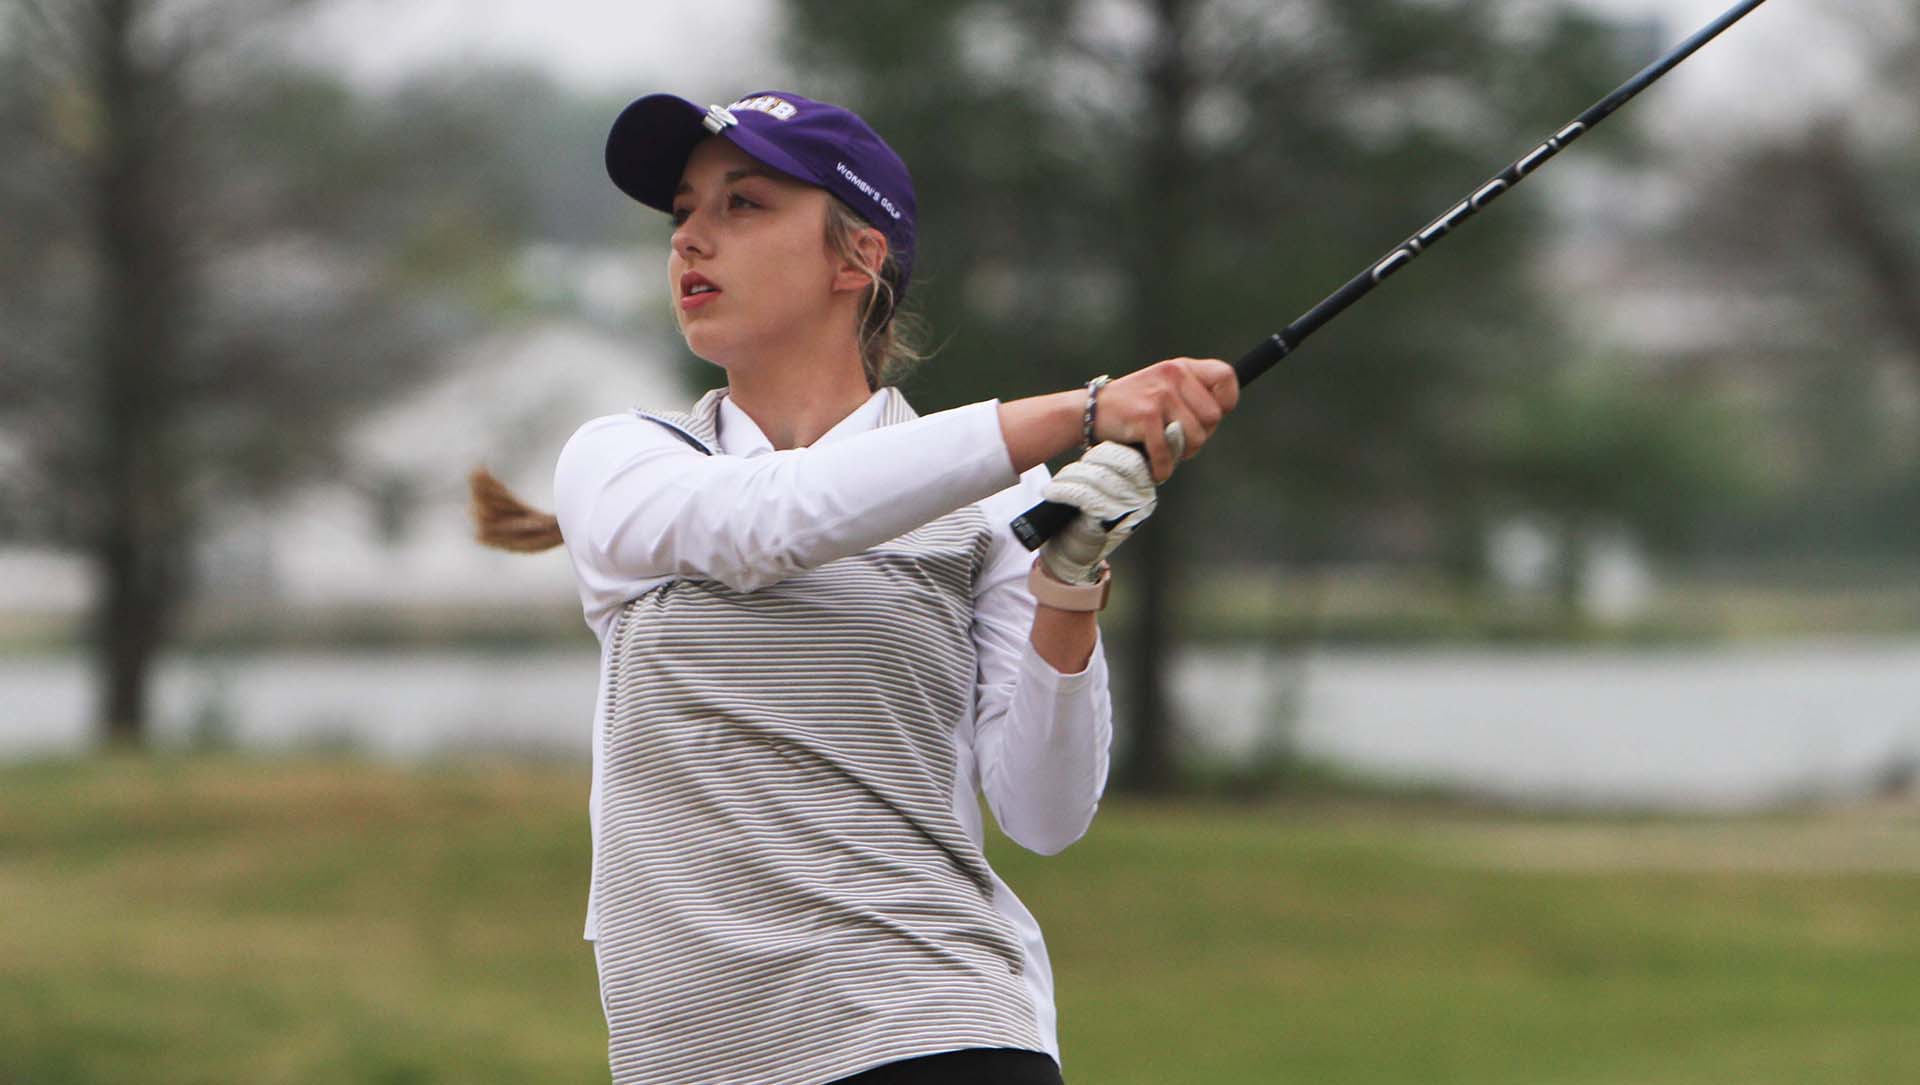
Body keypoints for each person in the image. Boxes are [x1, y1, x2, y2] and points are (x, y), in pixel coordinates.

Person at [468, 90, 1238, 1085]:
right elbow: (771, 520)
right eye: (683, 213)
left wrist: (1068, 580)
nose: (691, 237)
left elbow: (1045, 813)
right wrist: (1080, 411)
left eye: (743, 204)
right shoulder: (623, 460)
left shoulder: (999, 496)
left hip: (930, 1025)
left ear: (857, 257)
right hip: (693, 1058)